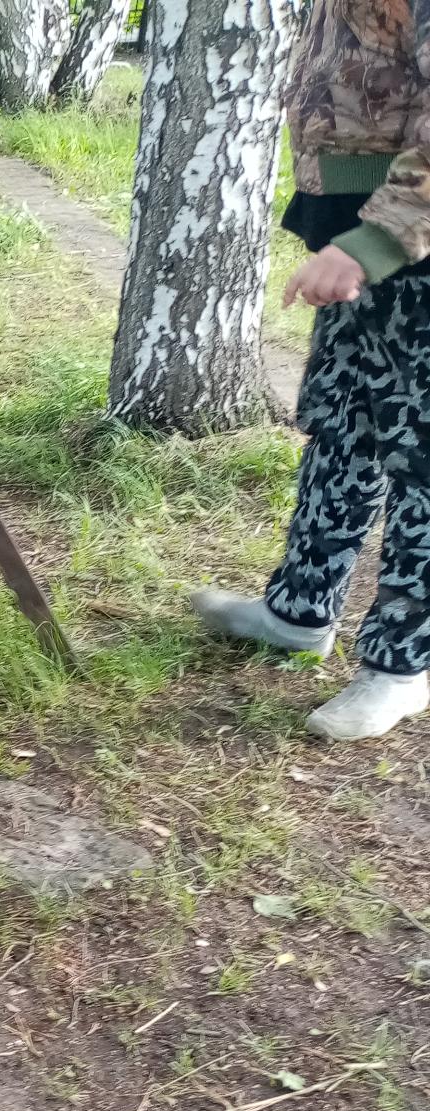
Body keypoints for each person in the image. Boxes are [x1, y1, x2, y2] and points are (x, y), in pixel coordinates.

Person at [189, 0, 430, 740]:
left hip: (406, 235)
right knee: (343, 427)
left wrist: (376, 240)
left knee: (421, 459)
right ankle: (300, 611)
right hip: (359, 222)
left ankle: (402, 666)